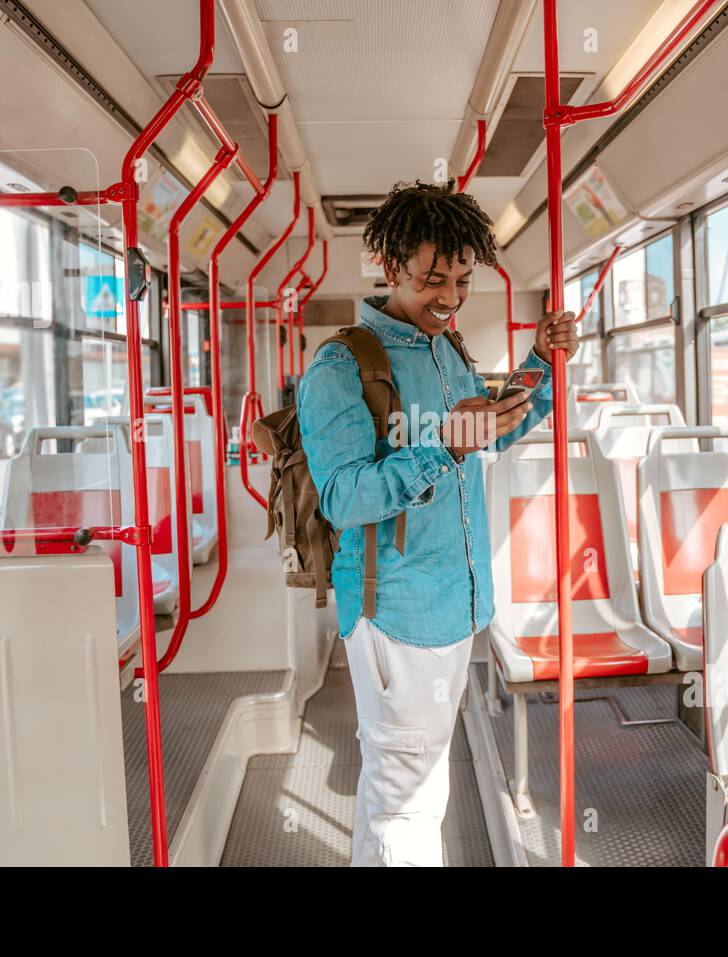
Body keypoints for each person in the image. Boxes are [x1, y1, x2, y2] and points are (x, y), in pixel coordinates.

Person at [297, 180, 578, 866]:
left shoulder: (446, 350)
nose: (449, 298)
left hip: (455, 604)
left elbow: (494, 435)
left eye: (460, 280)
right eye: (431, 280)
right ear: (389, 267)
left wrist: (543, 362)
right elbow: (344, 496)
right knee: (411, 802)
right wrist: (442, 444)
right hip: (396, 611)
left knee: (401, 788)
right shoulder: (341, 366)